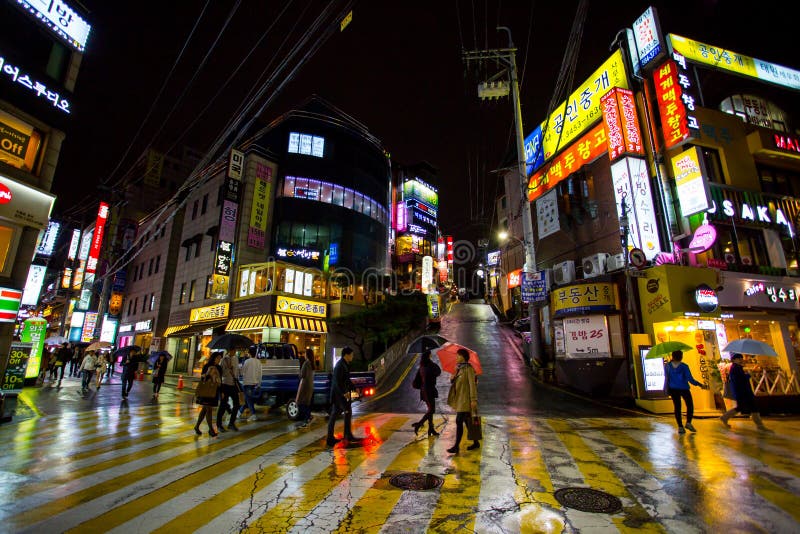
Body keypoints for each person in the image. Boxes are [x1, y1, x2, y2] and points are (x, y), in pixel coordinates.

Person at [720, 353, 772, 432]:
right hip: (742, 391)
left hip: (743, 391)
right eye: (739, 358)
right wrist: (749, 374)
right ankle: (760, 425)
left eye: (741, 358)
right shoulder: (735, 368)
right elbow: (739, 380)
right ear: (734, 360)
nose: (741, 359)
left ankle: (725, 417)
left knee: (747, 407)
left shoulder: (737, 367)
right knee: (750, 407)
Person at [664, 350, 707, 434]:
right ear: (681, 357)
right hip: (684, 388)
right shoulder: (684, 366)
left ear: (672, 356)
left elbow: (667, 378)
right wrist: (699, 384)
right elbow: (690, 379)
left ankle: (680, 426)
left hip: (673, 389)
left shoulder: (667, 366)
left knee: (677, 407)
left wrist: (666, 388)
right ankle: (688, 423)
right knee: (690, 405)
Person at [326, 346, 362, 446]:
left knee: (338, 414)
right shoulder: (340, 365)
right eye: (351, 355)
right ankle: (345, 436)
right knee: (345, 412)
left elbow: (346, 380)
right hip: (339, 395)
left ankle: (340, 436)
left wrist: (354, 388)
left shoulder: (344, 364)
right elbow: (337, 382)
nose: (352, 357)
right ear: (346, 355)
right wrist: (344, 393)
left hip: (341, 394)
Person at [447, 348, 479, 454]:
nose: (456, 357)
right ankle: (476, 442)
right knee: (467, 421)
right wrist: (454, 374)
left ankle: (456, 446)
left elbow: (472, 385)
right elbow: (453, 382)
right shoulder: (459, 369)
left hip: (465, 400)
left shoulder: (468, 369)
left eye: (458, 355)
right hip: (460, 399)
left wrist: (473, 399)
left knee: (458, 420)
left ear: (462, 357)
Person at [411, 350, 442, 437]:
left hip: (424, 390)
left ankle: (431, 429)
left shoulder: (422, 366)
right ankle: (419, 424)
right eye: (430, 355)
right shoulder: (430, 365)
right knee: (432, 410)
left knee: (430, 410)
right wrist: (432, 362)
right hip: (429, 390)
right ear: (428, 356)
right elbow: (438, 371)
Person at [195, 352, 222, 436]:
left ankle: (196, 426)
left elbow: (220, 380)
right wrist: (209, 373)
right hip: (206, 390)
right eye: (218, 358)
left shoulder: (219, 368)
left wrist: (221, 391)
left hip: (214, 391)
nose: (219, 360)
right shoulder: (207, 366)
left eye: (220, 358)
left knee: (205, 409)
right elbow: (203, 377)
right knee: (208, 409)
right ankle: (211, 429)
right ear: (214, 358)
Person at [216, 349, 241, 431]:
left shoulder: (236, 358)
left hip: (233, 384)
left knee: (237, 404)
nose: (234, 351)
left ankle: (231, 423)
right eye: (232, 350)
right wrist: (229, 369)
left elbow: (237, 370)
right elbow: (221, 373)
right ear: (229, 350)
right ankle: (219, 425)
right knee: (223, 405)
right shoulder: (224, 359)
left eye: (234, 350)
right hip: (225, 384)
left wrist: (237, 375)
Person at [240, 346, 261, 420]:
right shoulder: (258, 362)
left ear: (249, 353)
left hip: (247, 383)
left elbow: (242, 372)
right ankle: (239, 412)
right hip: (254, 383)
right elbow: (260, 373)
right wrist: (259, 384)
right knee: (247, 399)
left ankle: (253, 414)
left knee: (248, 399)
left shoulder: (247, 361)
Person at [296, 348, 315, 427]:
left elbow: (302, 375)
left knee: (300, 403)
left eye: (305, 353)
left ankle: (308, 417)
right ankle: (308, 418)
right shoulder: (312, 363)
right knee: (306, 403)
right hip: (310, 385)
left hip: (304, 386)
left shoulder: (306, 363)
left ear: (307, 354)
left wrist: (299, 374)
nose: (304, 354)